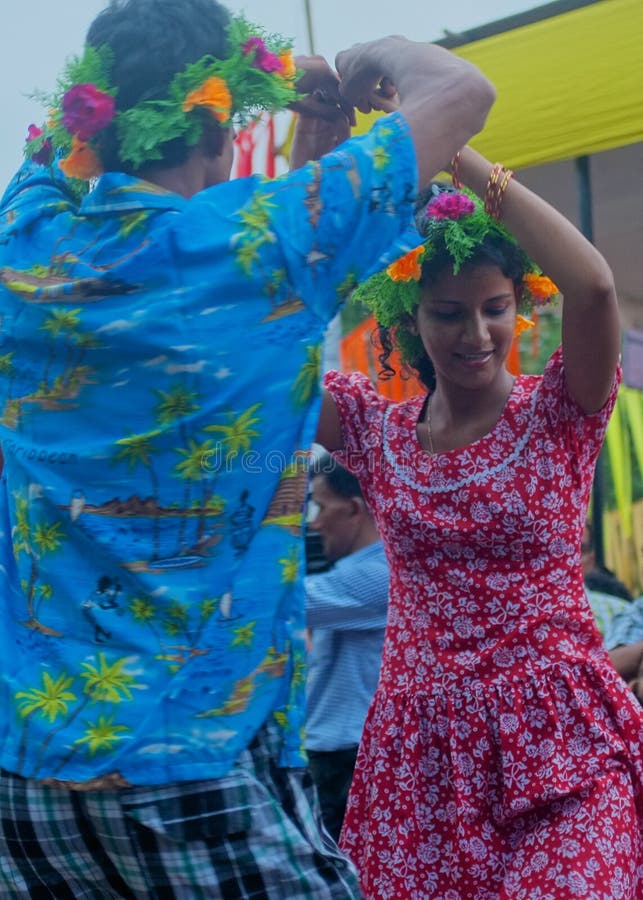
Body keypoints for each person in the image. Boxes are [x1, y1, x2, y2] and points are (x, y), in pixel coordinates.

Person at [0, 0, 496, 895]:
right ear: (217, 130)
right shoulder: (262, 246)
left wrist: (256, 92)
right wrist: (355, 61)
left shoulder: (23, 241)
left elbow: (54, 150)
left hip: (29, 783)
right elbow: (461, 88)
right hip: (193, 759)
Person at [316, 141, 643, 897]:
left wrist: (450, 150)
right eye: (448, 313)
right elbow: (276, 348)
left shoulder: (558, 411)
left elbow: (594, 287)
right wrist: (323, 161)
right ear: (411, 317)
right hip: (422, 761)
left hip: (561, 742)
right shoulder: (374, 432)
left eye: (495, 308)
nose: (476, 334)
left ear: (519, 308)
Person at [305, 452, 389, 841]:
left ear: (354, 509)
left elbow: (276, 602)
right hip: (343, 753)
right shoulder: (356, 573)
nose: (315, 522)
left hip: (351, 756)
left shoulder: (380, 574)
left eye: (321, 507)